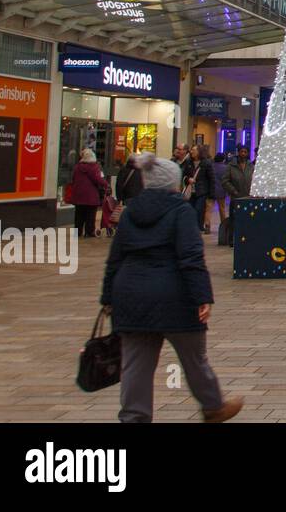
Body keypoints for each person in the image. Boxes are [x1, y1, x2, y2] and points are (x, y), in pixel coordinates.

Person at [100, 152, 243, 423]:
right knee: (194, 359)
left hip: (131, 299)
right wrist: (203, 297)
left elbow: (115, 259)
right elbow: (190, 258)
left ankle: (134, 417)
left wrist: (108, 298)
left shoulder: (130, 213)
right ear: (174, 183)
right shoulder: (180, 211)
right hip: (174, 298)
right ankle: (213, 406)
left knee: (135, 367)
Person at [71, 148, 108, 239]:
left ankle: (77, 232)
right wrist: (106, 184)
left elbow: (73, 178)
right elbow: (98, 179)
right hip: (91, 196)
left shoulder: (77, 167)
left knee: (79, 214)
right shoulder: (94, 167)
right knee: (90, 215)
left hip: (79, 195)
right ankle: (89, 231)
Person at [188, 144, 215, 235]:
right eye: (191, 150)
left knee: (198, 209)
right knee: (190, 210)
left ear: (199, 152)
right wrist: (188, 179)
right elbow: (185, 175)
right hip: (191, 191)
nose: (192, 152)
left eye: (194, 150)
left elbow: (211, 178)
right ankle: (193, 227)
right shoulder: (189, 163)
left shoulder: (206, 163)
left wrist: (211, 194)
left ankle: (198, 227)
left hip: (202, 191)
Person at [224, 147, 253, 218]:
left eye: (245, 152)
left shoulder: (251, 166)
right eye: (241, 151)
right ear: (238, 153)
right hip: (236, 198)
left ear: (247, 153)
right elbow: (225, 181)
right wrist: (234, 191)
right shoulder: (231, 166)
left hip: (248, 197)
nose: (243, 153)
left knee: (247, 218)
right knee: (235, 218)